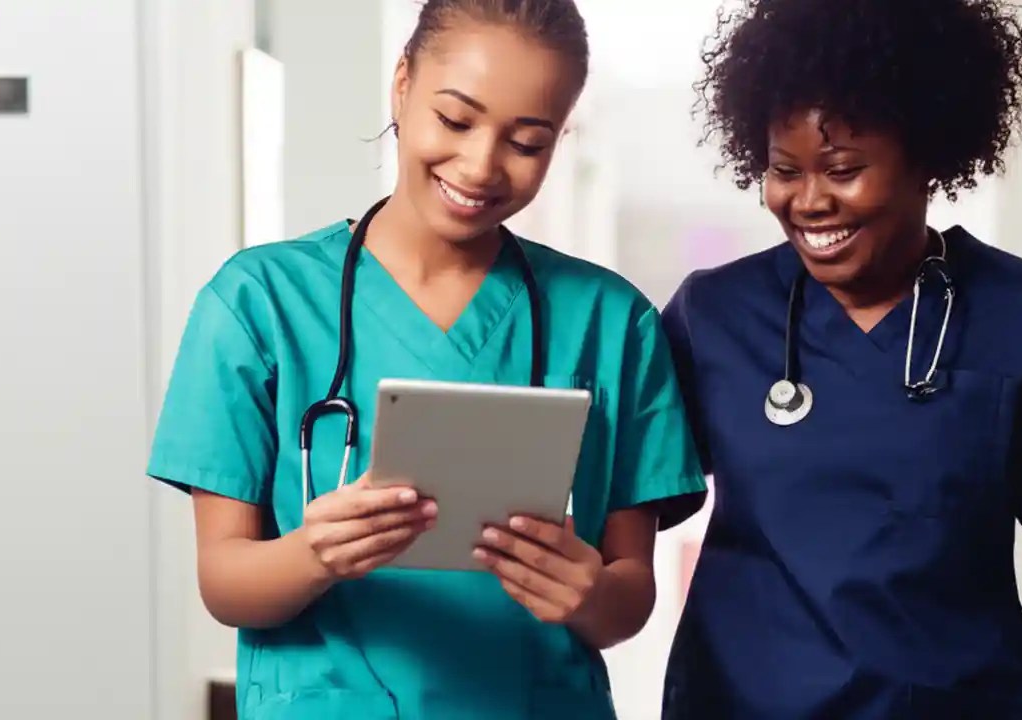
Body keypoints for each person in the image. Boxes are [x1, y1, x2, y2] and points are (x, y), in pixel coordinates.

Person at [146, 1, 706, 718]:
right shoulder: (258, 303)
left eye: (527, 142)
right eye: (456, 119)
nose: (480, 165)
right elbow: (224, 583)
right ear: (403, 83)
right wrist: (315, 551)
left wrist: (588, 591)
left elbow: (629, 599)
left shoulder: (610, 321)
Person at [660, 0, 1022, 717]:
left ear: (928, 159)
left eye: (842, 170)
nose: (809, 201)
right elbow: (635, 508)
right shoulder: (714, 315)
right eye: (786, 170)